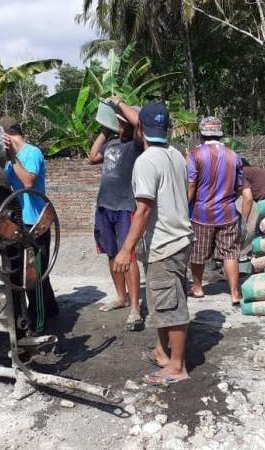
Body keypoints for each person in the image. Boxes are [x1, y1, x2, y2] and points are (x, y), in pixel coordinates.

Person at [112, 100, 194, 386]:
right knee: (161, 300)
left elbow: (143, 209)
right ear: (167, 128)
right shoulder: (177, 155)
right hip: (180, 238)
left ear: (141, 129)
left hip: (166, 243)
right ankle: (162, 351)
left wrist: (125, 249)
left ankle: (177, 366)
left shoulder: (146, 161)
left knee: (171, 305)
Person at [0, 116, 59, 335]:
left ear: (5, 135)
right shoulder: (8, 159)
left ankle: (39, 324)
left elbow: (28, 181)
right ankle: (51, 309)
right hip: (17, 221)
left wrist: (12, 156)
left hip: (35, 224)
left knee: (35, 278)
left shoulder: (31, 153)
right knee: (28, 273)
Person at [88, 103, 144, 332]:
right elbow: (92, 157)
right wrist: (104, 129)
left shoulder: (137, 145)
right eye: (118, 123)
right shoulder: (111, 143)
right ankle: (120, 297)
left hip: (124, 207)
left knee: (127, 256)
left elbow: (139, 124)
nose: (120, 127)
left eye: (123, 123)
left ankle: (135, 308)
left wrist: (126, 114)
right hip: (104, 206)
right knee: (111, 254)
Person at [186, 117, 246, 305]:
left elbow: (191, 186)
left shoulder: (194, 155)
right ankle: (235, 293)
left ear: (201, 134)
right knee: (230, 253)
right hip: (228, 213)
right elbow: (239, 186)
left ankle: (197, 288)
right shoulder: (233, 156)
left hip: (201, 214)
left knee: (198, 253)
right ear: (221, 134)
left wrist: (184, 206)